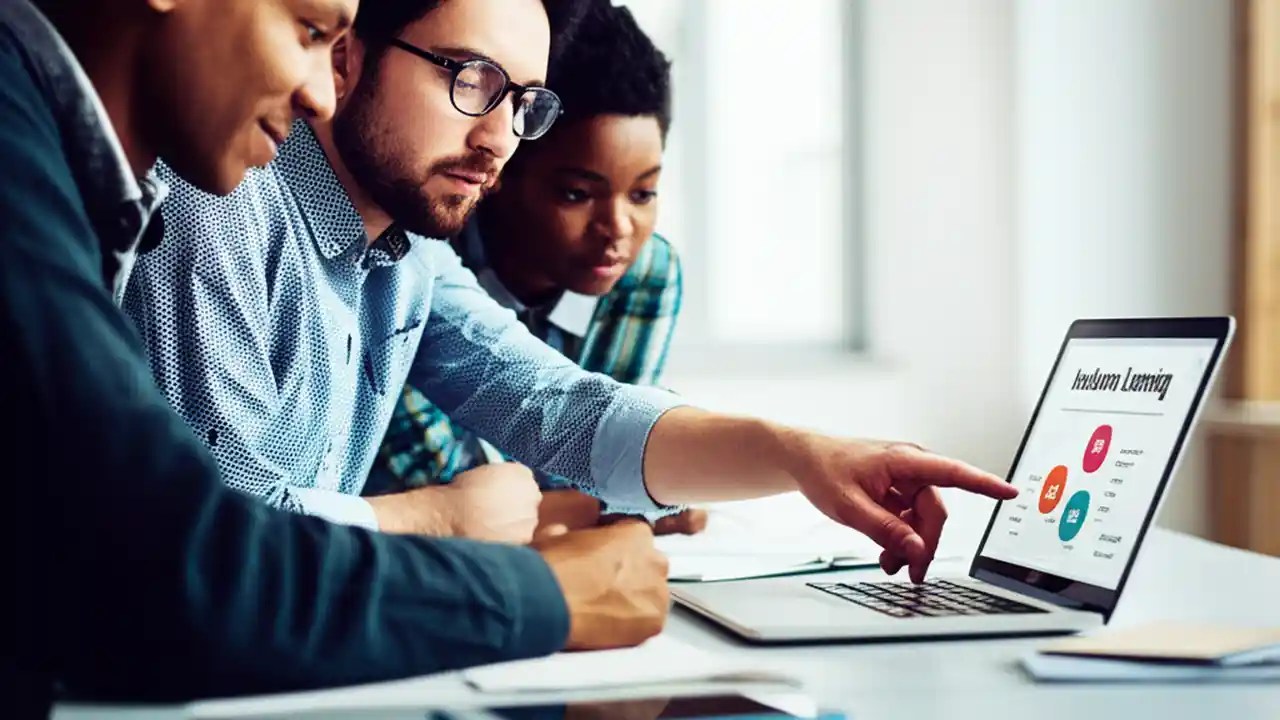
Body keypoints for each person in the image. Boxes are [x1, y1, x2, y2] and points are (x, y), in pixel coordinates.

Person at [122, 0, 1017, 582]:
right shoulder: (217, 205)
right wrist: (435, 520)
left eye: (523, 103)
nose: (498, 139)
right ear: (350, 56)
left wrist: (802, 455)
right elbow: (219, 539)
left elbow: (564, 408)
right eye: (469, 80)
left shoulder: (409, 253)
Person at [1, 0, 670, 716]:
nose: (322, 92)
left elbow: (552, 400)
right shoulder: (167, 195)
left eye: (521, 103)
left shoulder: (407, 250)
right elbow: (186, 567)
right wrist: (531, 585)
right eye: (313, 31)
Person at [372, 0, 707, 536]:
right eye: (576, 194)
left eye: (643, 193)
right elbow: (437, 485)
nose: (618, 229)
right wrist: (616, 501)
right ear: (502, 168)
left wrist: (621, 489)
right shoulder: (416, 250)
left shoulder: (647, 272)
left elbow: (614, 454)